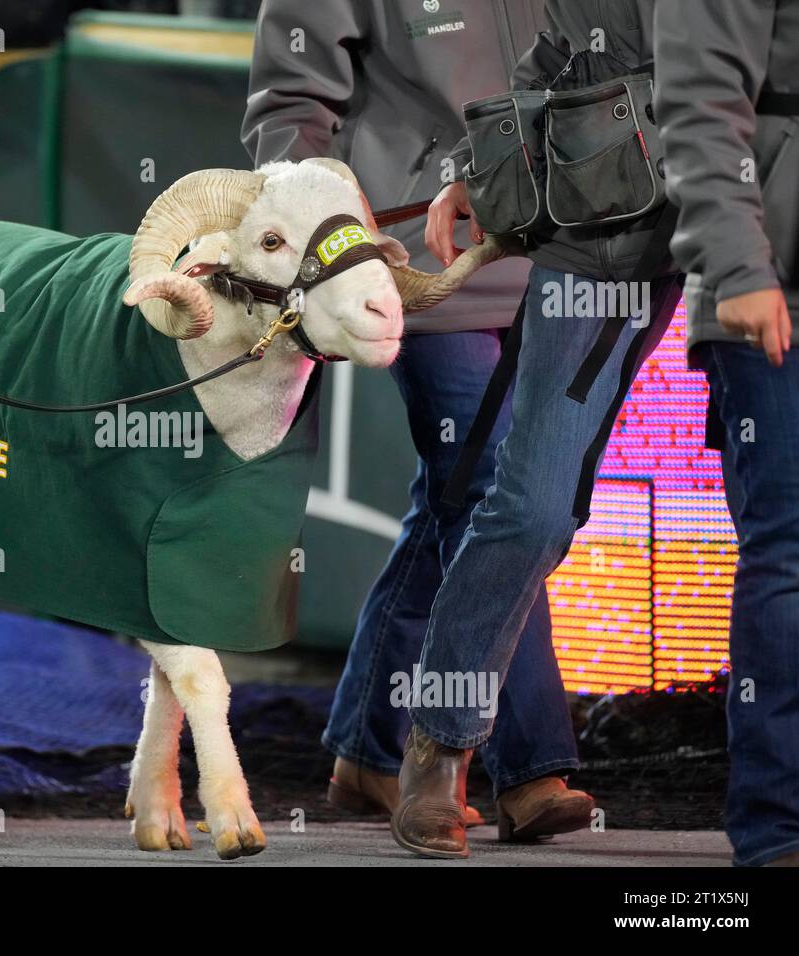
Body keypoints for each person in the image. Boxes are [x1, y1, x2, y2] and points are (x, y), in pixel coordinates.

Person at [242, 0, 594, 837]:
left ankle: (366, 749)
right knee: (489, 498)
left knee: (455, 501)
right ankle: (526, 765)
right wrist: (329, 244)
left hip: (566, 255)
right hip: (421, 265)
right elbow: (289, 104)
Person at [394, 0, 686, 858]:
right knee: (534, 505)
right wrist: (471, 172)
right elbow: (557, 56)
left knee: (773, 526)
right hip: (602, 241)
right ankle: (439, 742)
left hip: (738, 229)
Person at [655, 0, 799, 867]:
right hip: (774, 284)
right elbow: (701, 95)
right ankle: (779, 830)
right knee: (790, 550)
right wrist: (741, 266)